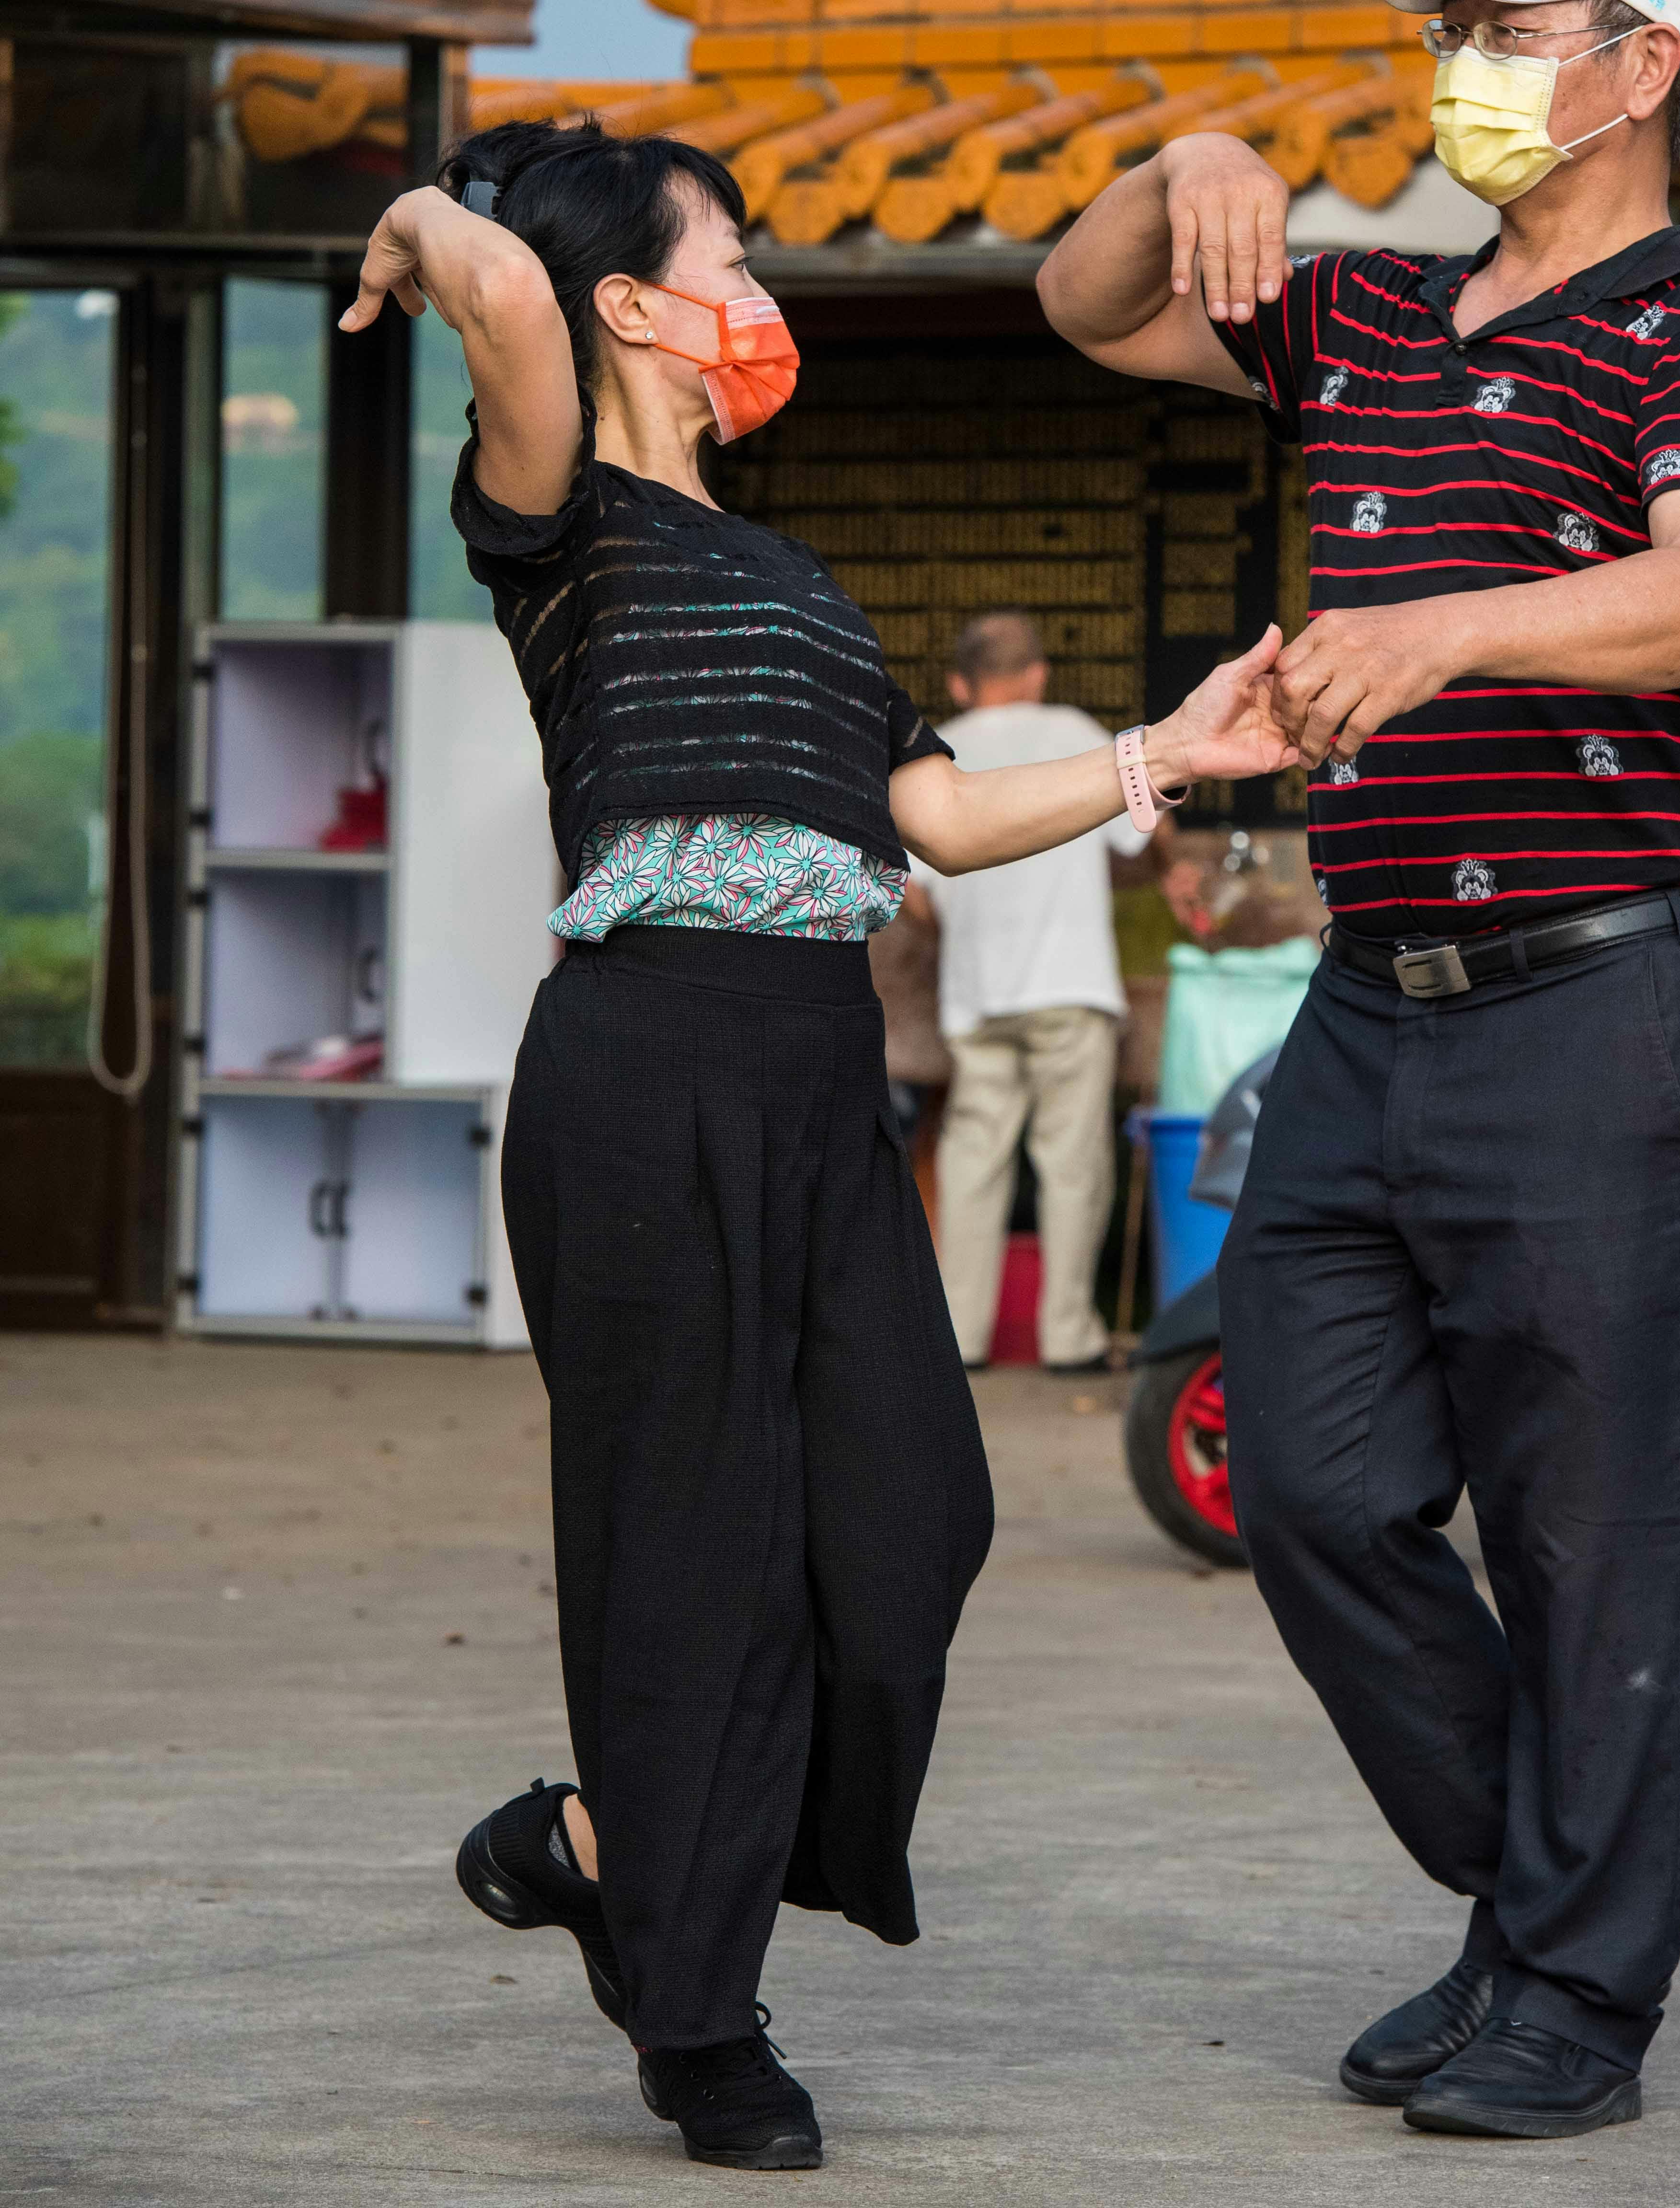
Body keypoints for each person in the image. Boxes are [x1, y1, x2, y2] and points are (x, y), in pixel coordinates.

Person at [341, 120, 1296, 2173]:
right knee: (687, 1556)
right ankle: (700, 2019)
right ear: (628, 305)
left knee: (904, 1516)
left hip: (813, 1071)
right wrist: (421, 219)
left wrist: (1163, 752)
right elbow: (500, 292)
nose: (761, 293)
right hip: (642, 1057)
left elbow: (927, 818)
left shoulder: (788, 573)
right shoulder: (555, 516)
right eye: (736, 258)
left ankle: (610, 1843)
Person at [1036, 0, 1680, 2141]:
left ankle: (1570, 1987)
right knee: (1302, 1476)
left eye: (1506, 17)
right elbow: (1080, 309)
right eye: (1446, 18)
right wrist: (1164, 177)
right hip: (1373, 997)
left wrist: (1450, 628)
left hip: (1602, 996)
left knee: (1583, 1529)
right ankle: (1530, 1896)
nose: (1458, 53)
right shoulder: (1367, 311)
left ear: (1639, 66)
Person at [908, 610, 1150, 1374]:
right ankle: (1069, 1337)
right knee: (1072, 1163)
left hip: (978, 991)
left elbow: (912, 895)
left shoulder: (935, 752)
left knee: (974, 1161)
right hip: (1070, 985)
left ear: (958, 682)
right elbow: (1137, 840)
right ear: (1039, 676)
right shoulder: (1077, 729)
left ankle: (963, 1337)